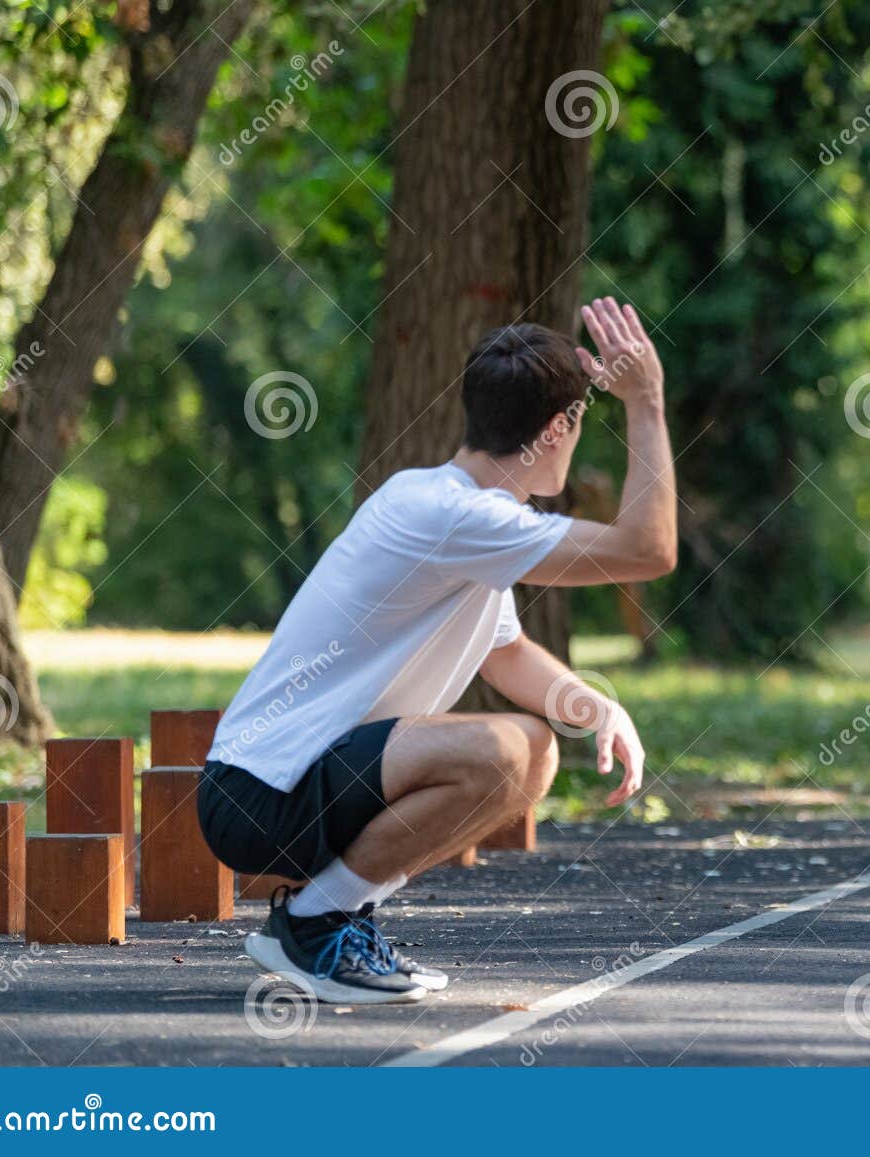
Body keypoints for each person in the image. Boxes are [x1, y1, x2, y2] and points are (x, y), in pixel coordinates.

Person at [197, 297, 675, 1001]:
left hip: (281, 788)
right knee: (509, 750)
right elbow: (649, 548)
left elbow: (504, 652)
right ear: (559, 428)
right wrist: (648, 400)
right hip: (260, 793)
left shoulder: (458, 512)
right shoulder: (455, 515)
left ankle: (326, 916)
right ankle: (314, 925)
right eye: (580, 424)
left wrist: (597, 707)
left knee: (534, 750)